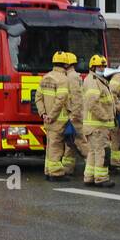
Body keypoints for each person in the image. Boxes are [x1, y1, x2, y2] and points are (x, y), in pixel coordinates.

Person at [36, 51, 73, 180]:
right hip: (58, 119)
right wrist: (51, 115)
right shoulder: (63, 79)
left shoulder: (45, 77)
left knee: (50, 145)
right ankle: (56, 173)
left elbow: (38, 98)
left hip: (47, 119)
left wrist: (43, 114)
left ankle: (48, 170)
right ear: (65, 64)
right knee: (56, 146)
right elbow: (61, 100)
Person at [81, 54, 116, 188]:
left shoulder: (98, 80)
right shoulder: (93, 81)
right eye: (99, 66)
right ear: (92, 67)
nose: (102, 68)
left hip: (95, 125)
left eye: (103, 66)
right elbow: (92, 103)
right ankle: (101, 178)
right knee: (101, 151)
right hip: (98, 125)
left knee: (93, 151)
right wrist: (105, 116)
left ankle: (89, 177)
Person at [65, 52, 90, 174]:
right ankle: (67, 168)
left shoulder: (72, 77)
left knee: (80, 140)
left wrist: (74, 115)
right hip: (75, 113)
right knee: (71, 142)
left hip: (76, 115)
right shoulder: (72, 76)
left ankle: (92, 166)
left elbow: (76, 98)